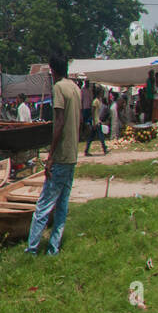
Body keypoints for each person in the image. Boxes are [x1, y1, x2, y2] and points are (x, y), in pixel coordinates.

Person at [25, 55, 81, 257]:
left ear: (53, 70)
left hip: (61, 156)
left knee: (43, 206)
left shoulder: (59, 88)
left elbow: (58, 123)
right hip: (72, 155)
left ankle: (31, 249)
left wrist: (50, 156)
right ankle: (53, 248)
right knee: (62, 204)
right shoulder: (75, 88)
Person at [85, 90, 110, 156]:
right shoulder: (95, 101)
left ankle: (86, 150)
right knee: (101, 136)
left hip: (96, 120)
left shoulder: (98, 101)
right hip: (96, 121)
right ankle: (104, 149)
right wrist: (94, 122)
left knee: (91, 137)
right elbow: (93, 112)